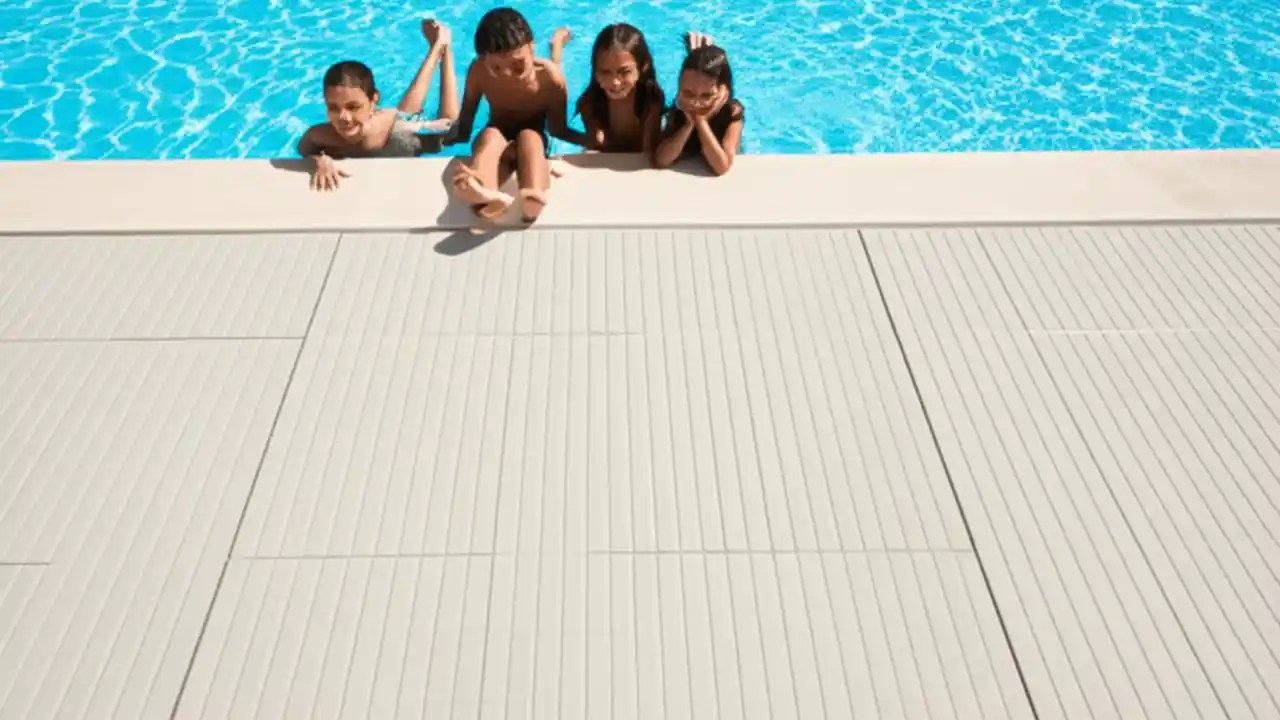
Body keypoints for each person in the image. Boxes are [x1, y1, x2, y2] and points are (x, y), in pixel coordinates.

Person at [447, 7, 589, 223]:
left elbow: (557, 129)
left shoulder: (550, 79)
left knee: (529, 137)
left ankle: (533, 195)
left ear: (531, 49)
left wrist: (593, 141)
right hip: (498, 138)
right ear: (484, 59)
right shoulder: (479, 71)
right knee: (489, 135)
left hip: (534, 139)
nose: (507, 74)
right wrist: (442, 140)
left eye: (517, 65)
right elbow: (466, 120)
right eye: (496, 67)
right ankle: (482, 192)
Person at [297, 20, 459, 191]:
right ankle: (436, 47)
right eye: (333, 107)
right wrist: (319, 160)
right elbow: (303, 153)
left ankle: (444, 48)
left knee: (451, 126)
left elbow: (442, 124)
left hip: (400, 136)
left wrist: (427, 125)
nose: (343, 117)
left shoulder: (390, 124)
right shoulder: (317, 136)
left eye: (353, 107)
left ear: (374, 100)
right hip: (396, 123)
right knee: (407, 111)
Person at [551, 23, 665, 155]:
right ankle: (555, 50)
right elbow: (597, 145)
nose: (614, 82)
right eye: (605, 72)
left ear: (642, 67)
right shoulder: (589, 103)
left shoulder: (650, 100)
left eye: (624, 72)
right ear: (595, 71)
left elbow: (647, 153)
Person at [653, 33, 744, 175]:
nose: (696, 103)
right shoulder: (680, 107)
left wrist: (701, 121)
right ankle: (697, 52)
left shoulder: (732, 112)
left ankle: (699, 51)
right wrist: (689, 124)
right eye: (688, 93)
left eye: (706, 95)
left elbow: (721, 167)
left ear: (723, 91)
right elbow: (661, 160)